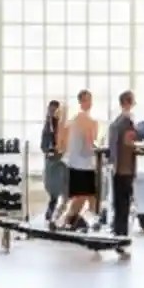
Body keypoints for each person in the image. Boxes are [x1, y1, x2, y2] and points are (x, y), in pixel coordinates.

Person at [53, 89, 99, 229]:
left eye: (89, 100)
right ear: (81, 102)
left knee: (87, 196)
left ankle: (73, 221)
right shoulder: (85, 121)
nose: (89, 103)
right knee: (83, 197)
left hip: (79, 163)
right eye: (86, 100)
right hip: (82, 164)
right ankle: (63, 220)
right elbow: (91, 141)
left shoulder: (76, 121)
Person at [108, 91, 138, 239]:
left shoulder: (116, 122)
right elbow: (128, 143)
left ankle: (117, 229)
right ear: (128, 102)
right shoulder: (127, 123)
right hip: (125, 168)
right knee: (124, 202)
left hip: (117, 167)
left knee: (118, 201)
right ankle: (122, 232)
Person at [41, 100, 67, 221]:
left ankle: (63, 214)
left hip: (62, 161)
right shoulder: (47, 126)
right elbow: (43, 146)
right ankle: (51, 212)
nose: (52, 113)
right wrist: (49, 150)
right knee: (53, 191)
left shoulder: (63, 125)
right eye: (51, 110)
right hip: (52, 162)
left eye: (55, 110)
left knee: (65, 189)